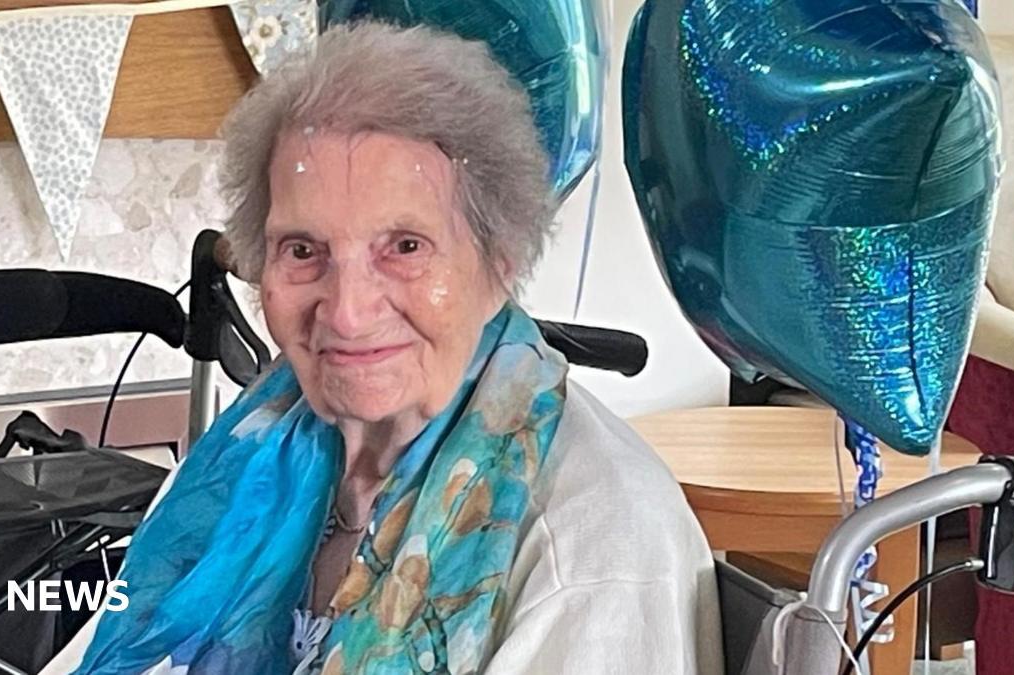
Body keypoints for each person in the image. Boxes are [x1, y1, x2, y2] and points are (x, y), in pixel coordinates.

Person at [44, 21, 721, 674]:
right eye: (304, 250)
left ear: (501, 259)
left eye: (405, 246)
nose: (347, 310)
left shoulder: (595, 546)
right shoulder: (255, 445)